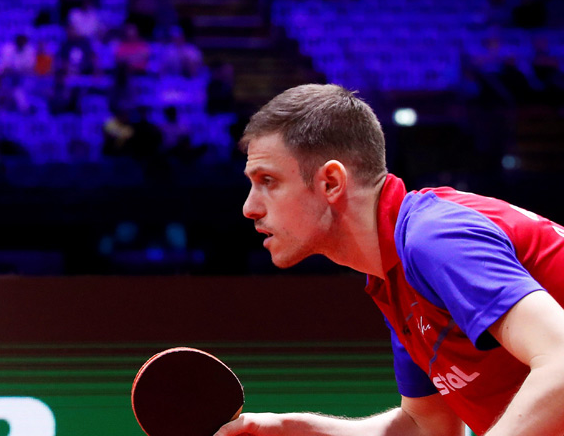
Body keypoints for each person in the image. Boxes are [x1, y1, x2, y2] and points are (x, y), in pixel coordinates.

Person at [216, 83, 564, 436]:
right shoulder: (395, 277)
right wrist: (286, 429)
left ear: (332, 182)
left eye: (268, 181)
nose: (250, 208)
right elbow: (426, 426)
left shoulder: (434, 239)